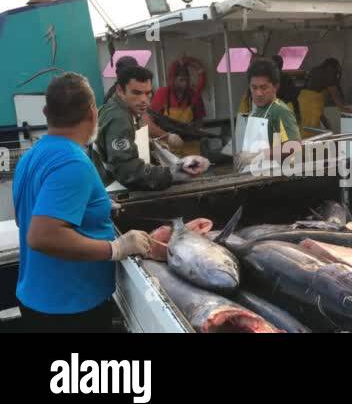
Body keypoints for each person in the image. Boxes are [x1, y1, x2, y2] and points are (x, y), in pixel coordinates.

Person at [12, 73, 152, 332]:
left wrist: (93, 209)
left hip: (37, 301)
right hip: (70, 311)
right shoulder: (72, 162)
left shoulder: (31, 156)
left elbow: (26, 217)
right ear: (92, 112)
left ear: (46, 112)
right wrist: (115, 248)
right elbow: (41, 236)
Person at [93, 66, 209, 191]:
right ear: (120, 90)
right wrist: (173, 174)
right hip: (114, 190)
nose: (144, 100)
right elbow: (129, 172)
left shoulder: (119, 109)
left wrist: (154, 145)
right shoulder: (118, 118)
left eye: (148, 93)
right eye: (136, 93)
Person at [144, 58, 207, 153]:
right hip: (169, 145)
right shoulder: (162, 94)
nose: (185, 83)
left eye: (186, 79)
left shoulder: (194, 95)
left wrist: (198, 133)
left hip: (190, 146)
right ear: (173, 79)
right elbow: (151, 119)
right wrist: (165, 136)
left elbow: (199, 120)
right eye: (181, 80)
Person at [244, 58, 300, 152]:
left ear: (276, 87)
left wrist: (261, 155)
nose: (259, 93)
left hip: (275, 166)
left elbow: (294, 146)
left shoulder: (280, 111)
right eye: (254, 87)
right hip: (256, 166)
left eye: (264, 87)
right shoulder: (257, 110)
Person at [298, 58, 352, 138]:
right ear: (333, 67)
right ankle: (303, 147)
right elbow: (334, 93)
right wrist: (342, 108)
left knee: (308, 124)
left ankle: (306, 145)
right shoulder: (329, 72)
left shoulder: (315, 70)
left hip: (303, 98)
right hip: (312, 99)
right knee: (311, 126)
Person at [271, 54, 300, 119]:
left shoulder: (268, 79)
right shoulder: (287, 78)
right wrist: (297, 113)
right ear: (282, 65)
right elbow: (294, 97)